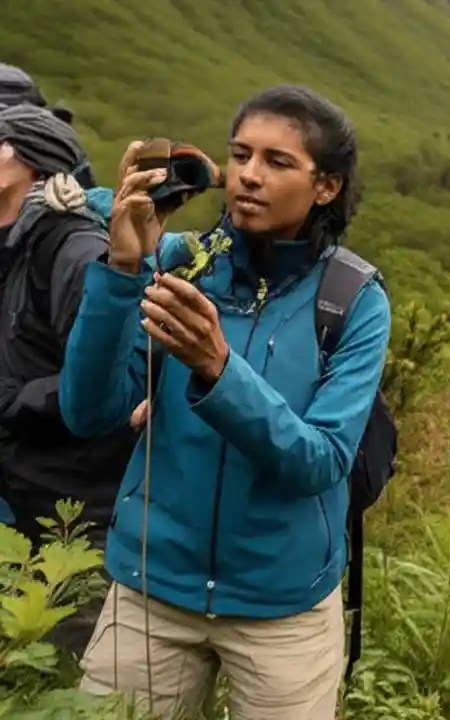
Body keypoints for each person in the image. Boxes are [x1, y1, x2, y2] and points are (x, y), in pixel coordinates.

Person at [59, 84, 391, 719]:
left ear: (326, 187)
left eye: (278, 162)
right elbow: (90, 412)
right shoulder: (183, 264)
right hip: (152, 589)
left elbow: (321, 461)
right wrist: (123, 270)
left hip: (283, 607)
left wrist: (218, 368)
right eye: (240, 156)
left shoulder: (354, 299)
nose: (249, 176)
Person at [0, 102, 138, 655]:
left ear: (32, 163)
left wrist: (14, 401)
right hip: (24, 501)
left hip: (79, 518)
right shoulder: (12, 246)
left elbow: (110, 385)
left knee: (70, 681)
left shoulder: (73, 249)